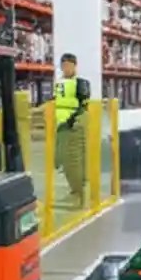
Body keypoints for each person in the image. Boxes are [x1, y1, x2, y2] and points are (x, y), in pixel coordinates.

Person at [54, 53, 91, 204]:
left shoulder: (80, 83)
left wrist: (74, 120)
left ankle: (79, 194)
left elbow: (84, 105)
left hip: (73, 125)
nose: (66, 68)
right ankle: (75, 190)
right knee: (62, 159)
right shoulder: (60, 83)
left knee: (73, 161)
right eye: (63, 65)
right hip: (60, 125)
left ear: (75, 66)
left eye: (69, 65)